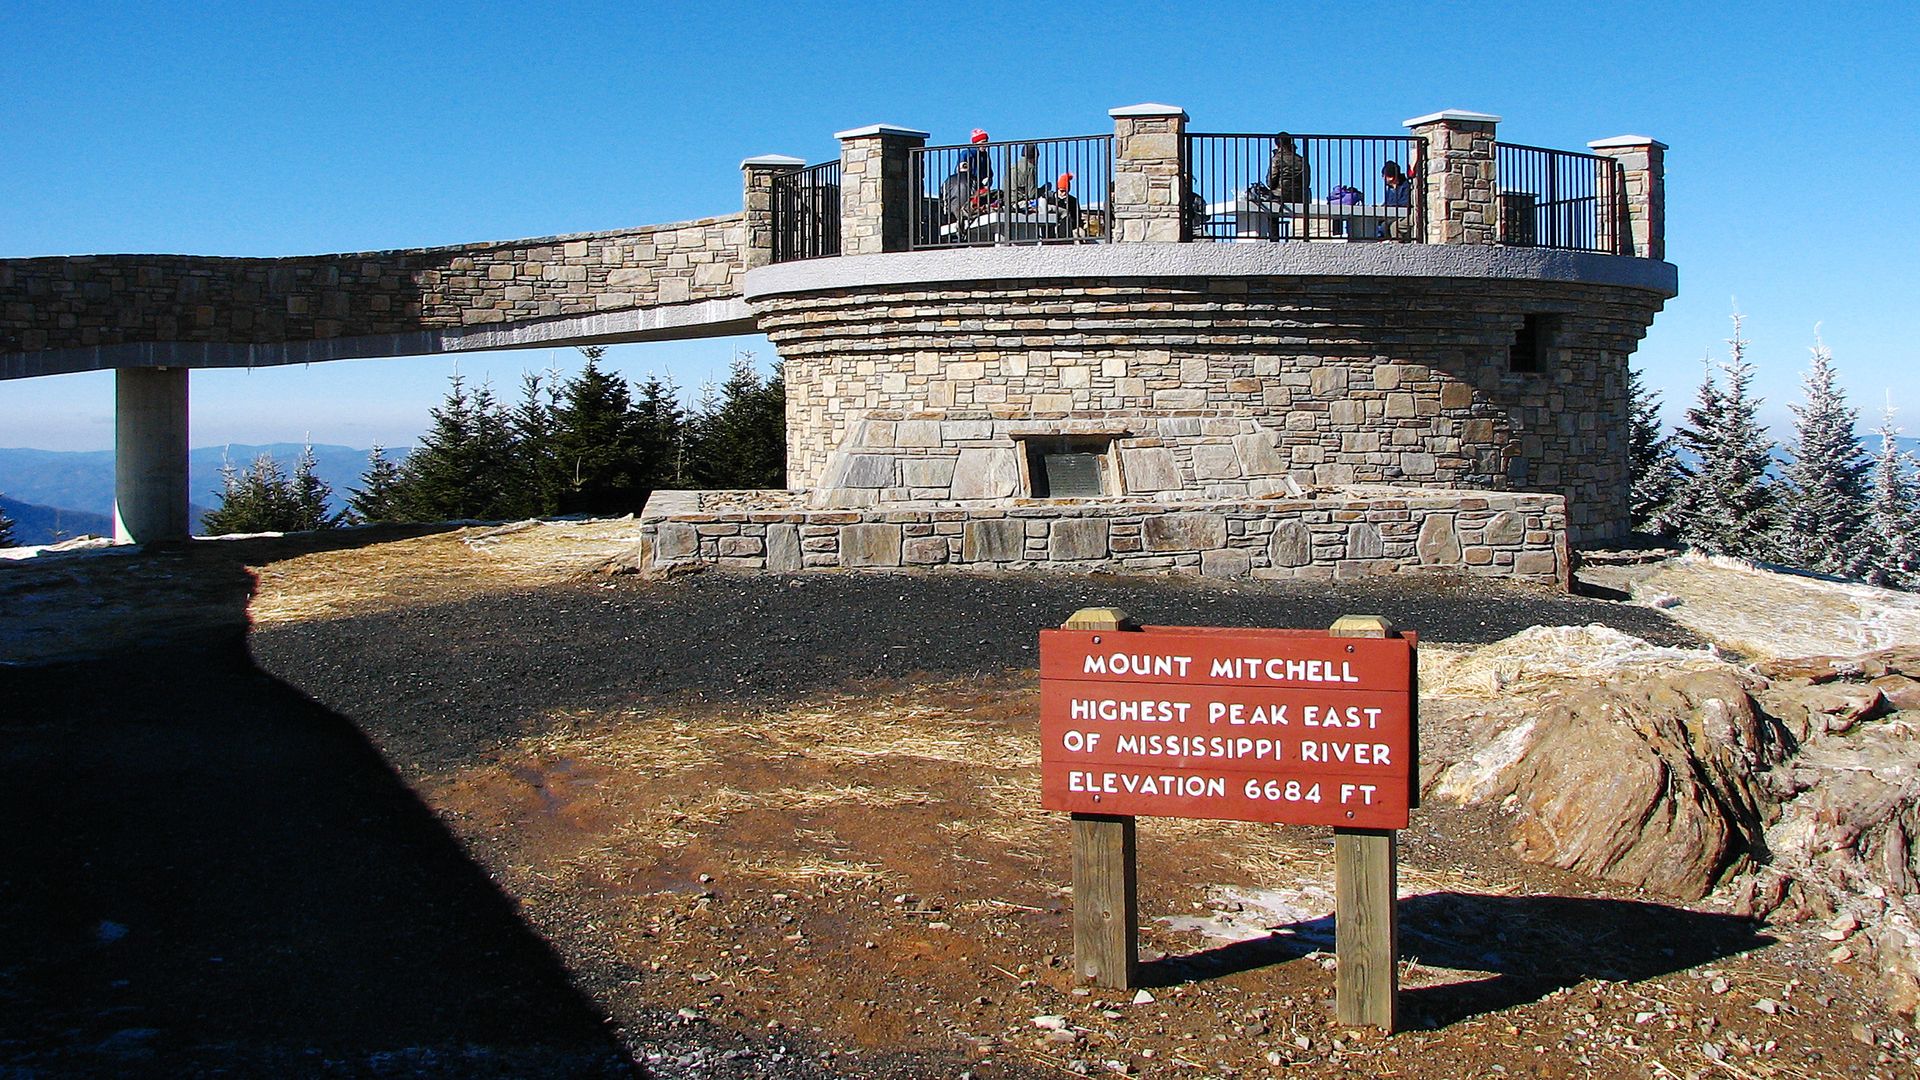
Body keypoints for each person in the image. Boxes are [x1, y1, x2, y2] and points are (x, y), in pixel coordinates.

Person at [1267, 133, 1308, 204]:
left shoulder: (1277, 159)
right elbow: (1307, 182)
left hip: (1280, 196)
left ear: (1277, 145)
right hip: (1299, 197)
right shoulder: (1302, 160)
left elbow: (1271, 182)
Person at [1379, 160, 1415, 240]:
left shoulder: (1405, 186)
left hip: (1406, 215)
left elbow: (1405, 203)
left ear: (1391, 177)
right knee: (1380, 224)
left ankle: (1398, 246)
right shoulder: (1390, 188)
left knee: (1393, 226)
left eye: (1383, 175)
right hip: (1394, 215)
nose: (1382, 178)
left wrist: (1388, 207)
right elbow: (1387, 203)